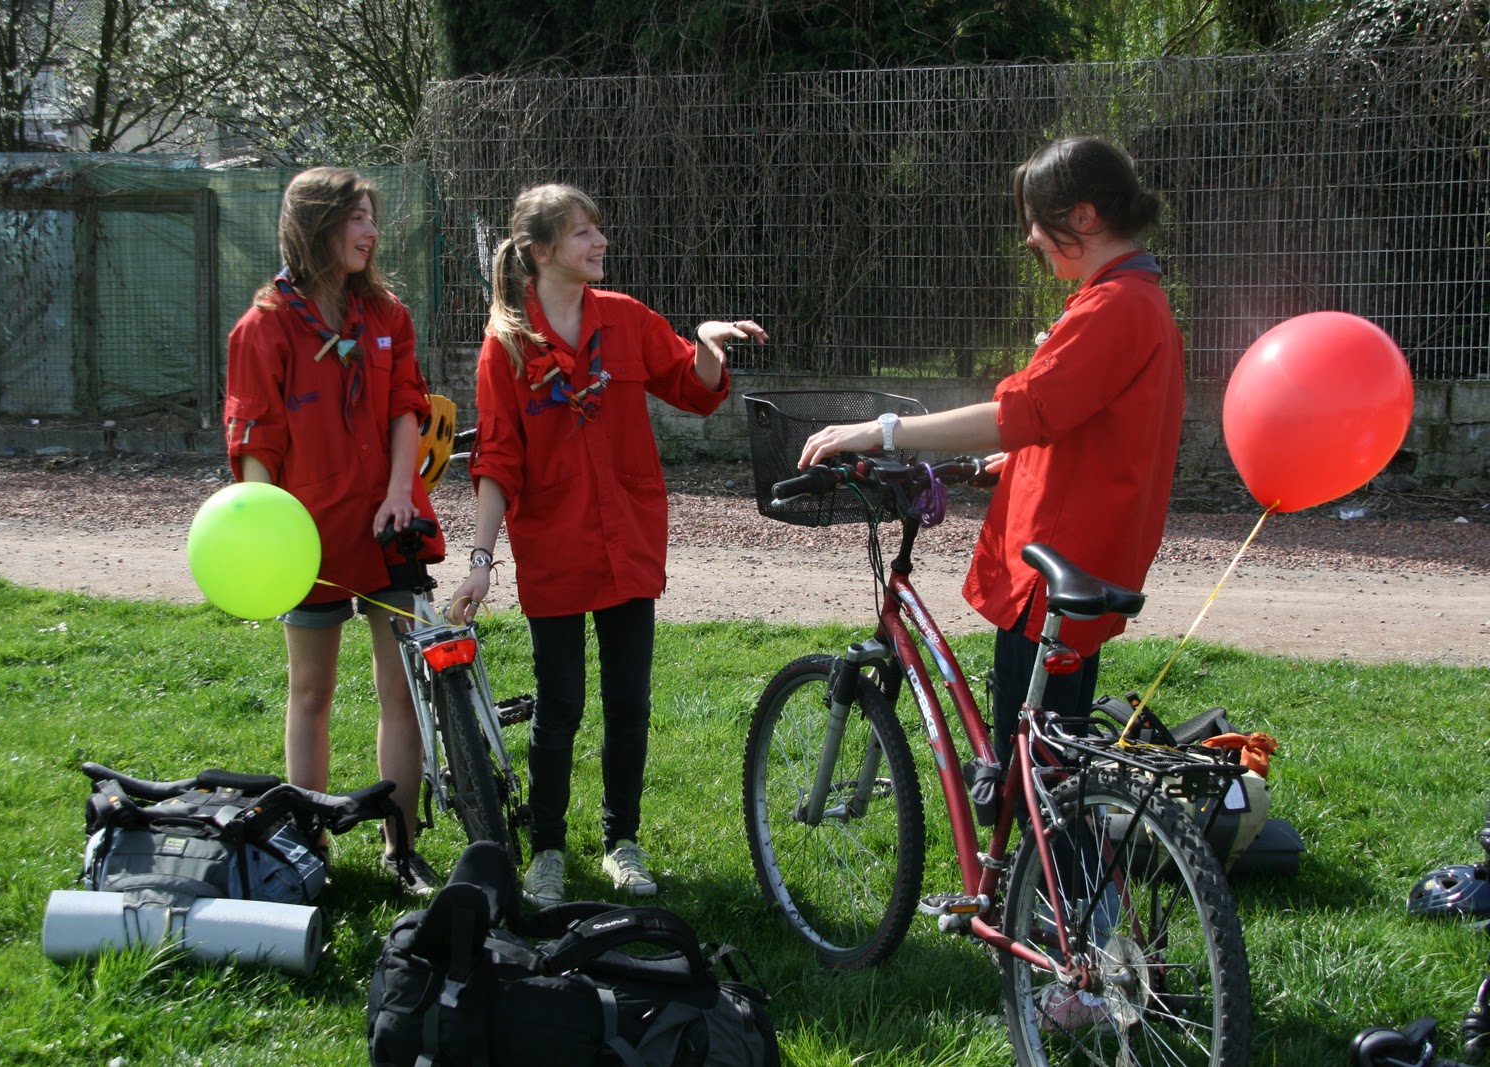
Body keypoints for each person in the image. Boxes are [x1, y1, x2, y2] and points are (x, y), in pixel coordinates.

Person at [798, 135, 1184, 773]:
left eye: (1039, 219)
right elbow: (1095, 431)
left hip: (1054, 564)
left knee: (1029, 773)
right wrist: (993, 466)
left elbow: (1020, 416)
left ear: (1083, 218)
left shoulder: (1115, 307)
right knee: (1053, 764)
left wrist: (884, 430)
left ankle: (1025, 873)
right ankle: (1057, 867)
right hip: (1087, 549)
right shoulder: (1136, 299)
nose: (1031, 236)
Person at [448, 183, 766, 906]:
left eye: (598, 230)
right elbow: (496, 460)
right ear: (541, 251)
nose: (601, 243)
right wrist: (479, 563)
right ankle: (549, 850)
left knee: (629, 702)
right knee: (559, 708)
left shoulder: (623, 319)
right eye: (584, 233)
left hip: (628, 541)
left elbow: (691, 385)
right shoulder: (506, 346)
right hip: (555, 549)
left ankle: (622, 838)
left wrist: (710, 348)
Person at [224, 166, 447, 893]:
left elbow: (405, 411)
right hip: (306, 543)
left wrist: (396, 494)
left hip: (389, 531)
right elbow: (256, 442)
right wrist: (266, 538)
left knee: (401, 690)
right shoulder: (263, 327)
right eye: (356, 217)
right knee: (310, 693)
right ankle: (307, 846)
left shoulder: (387, 315)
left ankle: (401, 846)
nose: (371, 231)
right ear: (315, 226)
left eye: (372, 217)